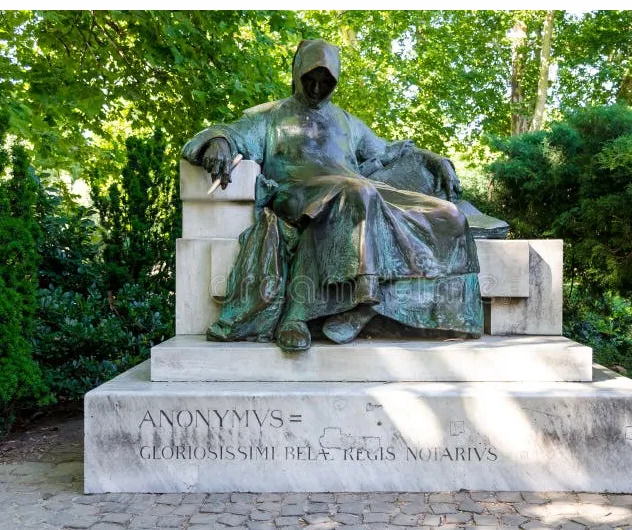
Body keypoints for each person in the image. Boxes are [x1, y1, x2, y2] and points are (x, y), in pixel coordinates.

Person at [183, 39, 482, 351]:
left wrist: (435, 160)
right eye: (309, 79)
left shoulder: (346, 121)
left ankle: (376, 309)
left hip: (354, 190)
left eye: (325, 83)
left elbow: (389, 150)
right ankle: (354, 303)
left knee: (449, 215)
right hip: (296, 191)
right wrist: (217, 142)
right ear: (296, 74)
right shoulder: (269, 116)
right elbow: (230, 133)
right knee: (357, 192)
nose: (315, 88)